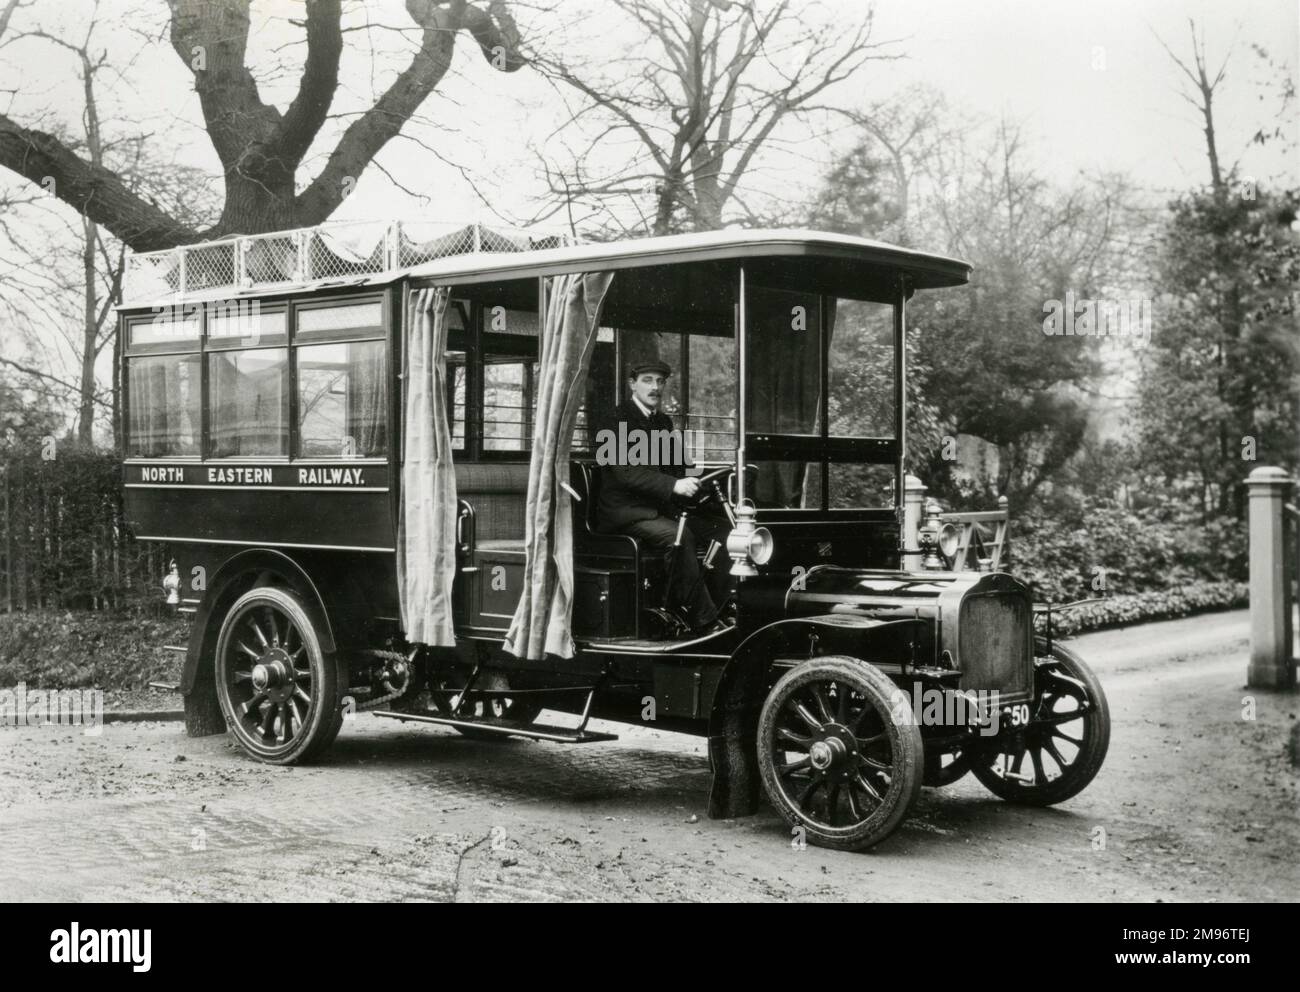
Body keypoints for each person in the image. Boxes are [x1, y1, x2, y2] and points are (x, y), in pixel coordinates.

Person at [595, 360, 734, 634]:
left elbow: (679, 466)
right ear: (632, 384)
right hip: (625, 513)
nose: (655, 387)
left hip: (660, 510)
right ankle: (704, 622)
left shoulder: (662, 421)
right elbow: (626, 474)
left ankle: (719, 609)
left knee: (725, 531)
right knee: (677, 537)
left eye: (660, 382)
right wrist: (674, 486)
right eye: (647, 380)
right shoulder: (614, 420)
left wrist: (710, 478)